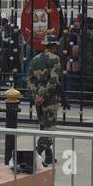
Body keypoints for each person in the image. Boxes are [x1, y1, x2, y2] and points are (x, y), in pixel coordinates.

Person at [26, 34, 63, 165]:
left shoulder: (35, 59)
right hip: (50, 98)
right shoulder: (55, 59)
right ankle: (34, 155)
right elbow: (53, 81)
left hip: (37, 98)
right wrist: (44, 96)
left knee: (44, 125)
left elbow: (29, 80)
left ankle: (49, 156)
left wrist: (36, 96)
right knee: (50, 128)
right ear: (54, 46)